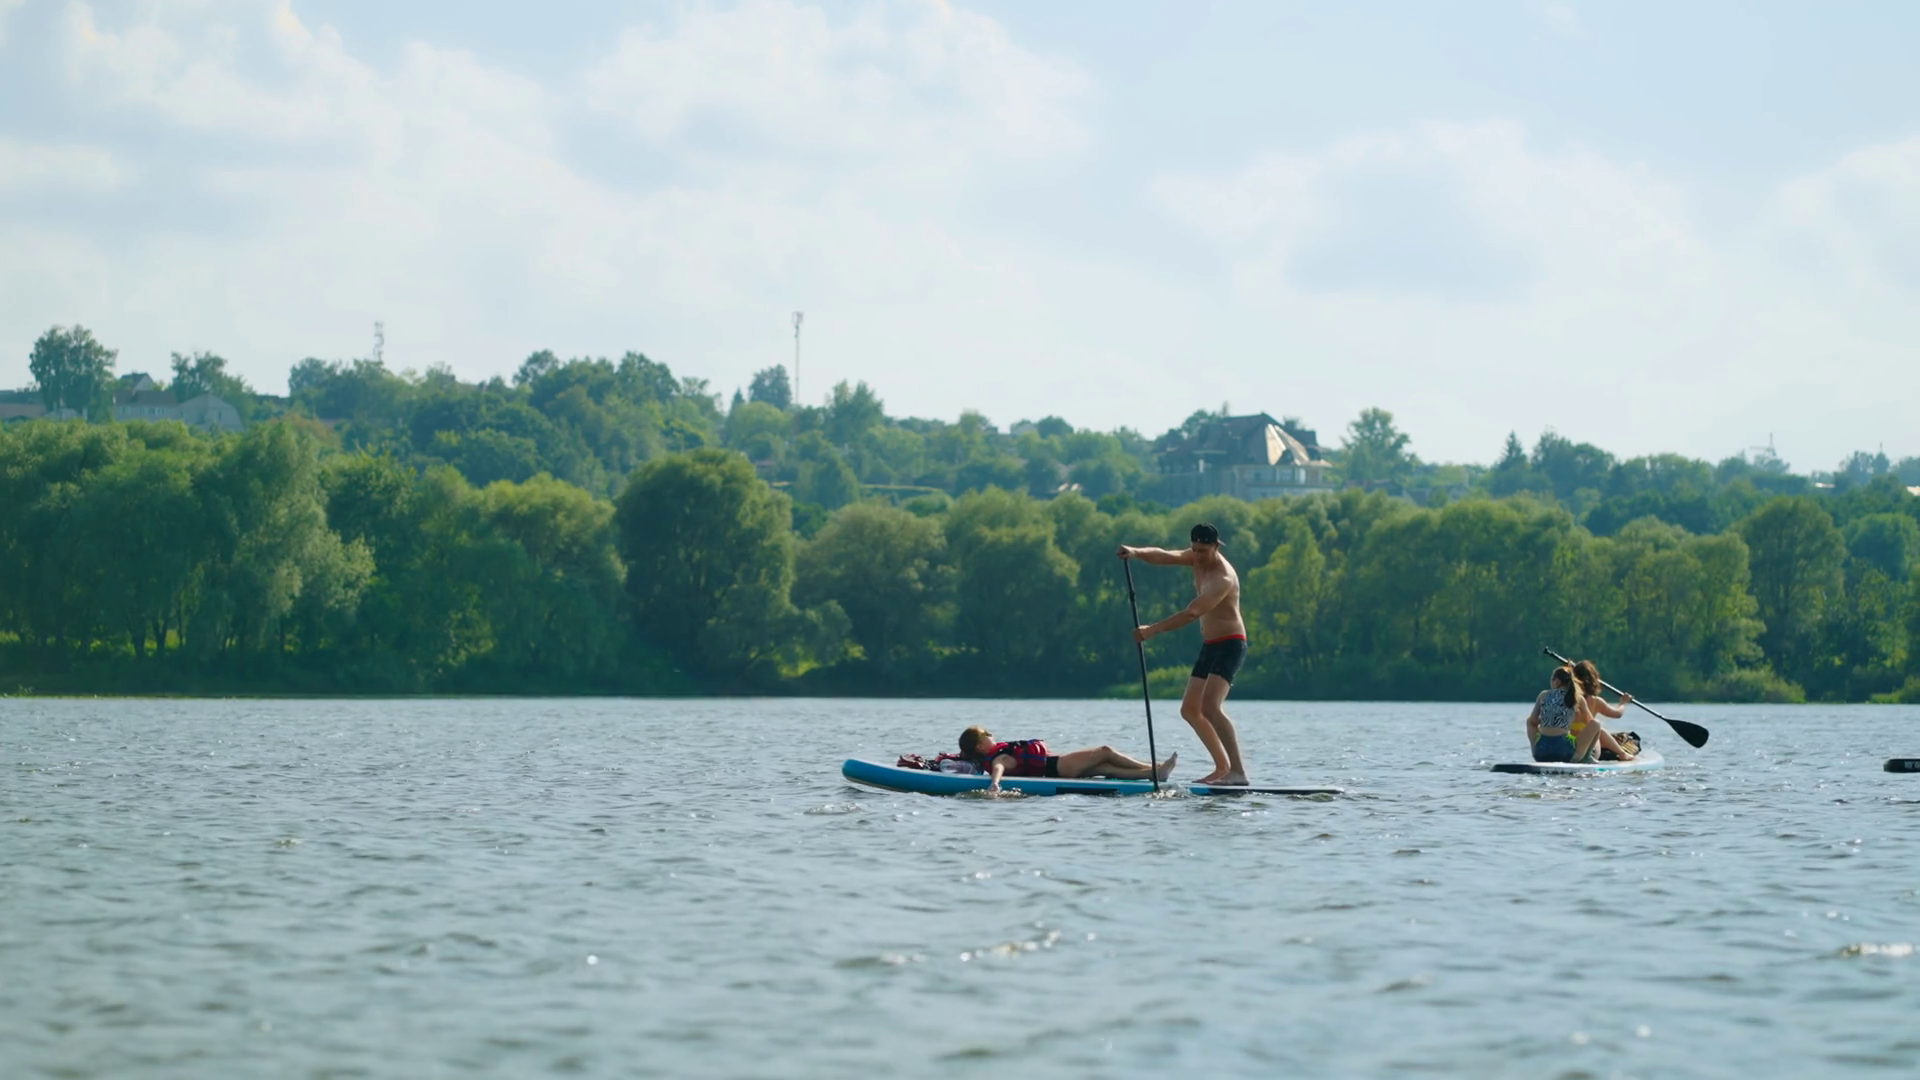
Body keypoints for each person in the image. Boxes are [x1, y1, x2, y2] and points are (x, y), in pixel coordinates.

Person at [1116, 522, 1250, 786]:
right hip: (1210, 645)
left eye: (1203, 550)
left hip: (1231, 644)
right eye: (1194, 550)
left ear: (1215, 546)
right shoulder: (1195, 558)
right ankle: (1222, 767)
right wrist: (1135, 552)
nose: (1197, 556)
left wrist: (1152, 630)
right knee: (1190, 710)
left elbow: (1192, 612)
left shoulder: (1224, 578)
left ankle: (1238, 772)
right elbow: (1166, 556)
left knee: (1210, 707)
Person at [957, 726, 1175, 794]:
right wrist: (995, 784)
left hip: (1057, 771)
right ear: (980, 746)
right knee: (1106, 751)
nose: (991, 734)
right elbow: (998, 768)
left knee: (1107, 768)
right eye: (986, 734)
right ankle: (1152, 767)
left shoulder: (998, 754)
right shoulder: (999, 757)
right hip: (1060, 765)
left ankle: (1153, 775)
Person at [1525, 665, 1635, 763]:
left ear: (1557, 682)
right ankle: (1587, 757)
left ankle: (1535, 750)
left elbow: (1533, 721)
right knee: (1596, 724)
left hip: (1541, 753)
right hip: (1565, 753)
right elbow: (1590, 722)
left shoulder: (1543, 695)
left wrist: (1548, 721)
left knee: (1528, 721)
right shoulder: (1578, 698)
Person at [1570, 659, 1638, 761]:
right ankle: (1622, 753)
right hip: (1589, 748)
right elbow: (1617, 713)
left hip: (1569, 746)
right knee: (1598, 729)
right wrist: (1623, 702)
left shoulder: (1567, 700)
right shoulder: (1595, 701)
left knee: (1595, 728)